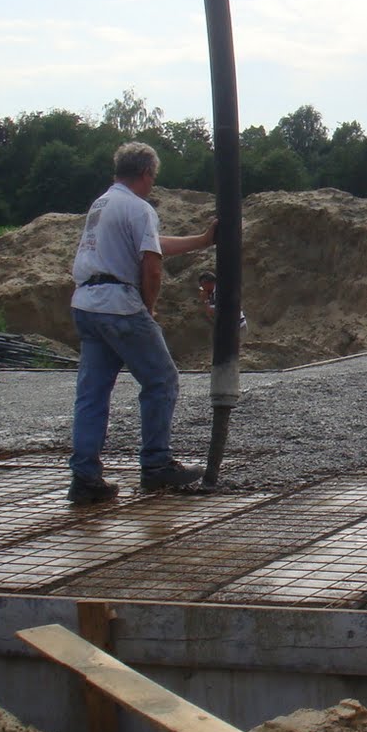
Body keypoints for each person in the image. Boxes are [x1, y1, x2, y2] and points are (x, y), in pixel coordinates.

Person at [67, 142, 217, 504]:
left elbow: (151, 243)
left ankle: (84, 477)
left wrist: (201, 241)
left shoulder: (103, 204)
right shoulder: (139, 207)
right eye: (154, 177)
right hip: (119, 305)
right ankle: (156, 464)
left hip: (86, 304)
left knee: (92, 394)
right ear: (147, 173)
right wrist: (147, 308)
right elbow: (152, 266)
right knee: (162, 379)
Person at [197, 269, 247, 334]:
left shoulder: (220, 292)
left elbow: (214, 312)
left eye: (202, 285)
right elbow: (208, 314)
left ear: (209, 283)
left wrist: (205, 300)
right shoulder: (210, 294)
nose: (202, 288)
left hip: (238, 327)